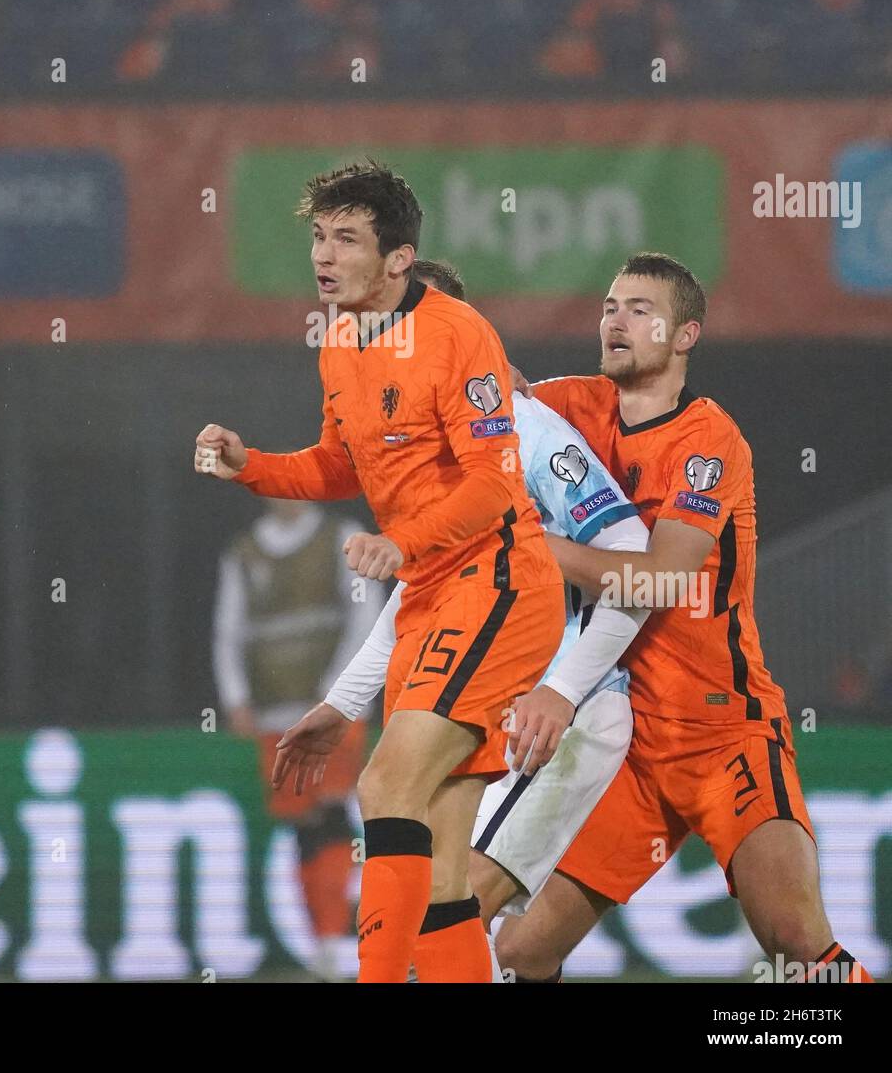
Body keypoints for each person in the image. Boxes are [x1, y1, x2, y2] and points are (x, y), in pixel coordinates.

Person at [195, 161, 564, 982]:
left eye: (348, 239)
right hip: (433, 600)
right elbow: (336, 465)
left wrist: (403, 544)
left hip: (499, 583)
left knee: (386, 781)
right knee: (440, 873)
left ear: (399, 259)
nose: (324, 256)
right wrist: (249, 464)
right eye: (319, 237)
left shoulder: (458, 333)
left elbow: (496, 482)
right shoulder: (338, 338)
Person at [495, 252, 874, 984]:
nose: (616, 320)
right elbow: (496, 394)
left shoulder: (709, 443)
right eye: (609, 305)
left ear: (685, 334)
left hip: (722, 733)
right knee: (521, 951)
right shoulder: (574, 406)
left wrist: (539, 547)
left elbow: (666, 579)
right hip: (630, 749)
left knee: (796, 941)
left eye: (640, 309)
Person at [274, 259, 653, 981]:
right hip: (489, 716)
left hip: (560, 721)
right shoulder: (426, 454)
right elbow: (420, 599)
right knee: (487, 932)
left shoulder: (526, 428)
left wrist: (564, 689)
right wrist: (340, 706)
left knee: (454, 901)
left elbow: (637, 566)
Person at [212, 496, 385, 979]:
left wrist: (341, 689)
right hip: (276, 711)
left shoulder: (340, 536)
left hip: (332, 706)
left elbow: (365, 614)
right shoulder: (245, 551)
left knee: (333, 813)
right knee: (304, 825)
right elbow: (229, 627)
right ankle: (326, 942)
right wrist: (236, 695)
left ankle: (344, 934)